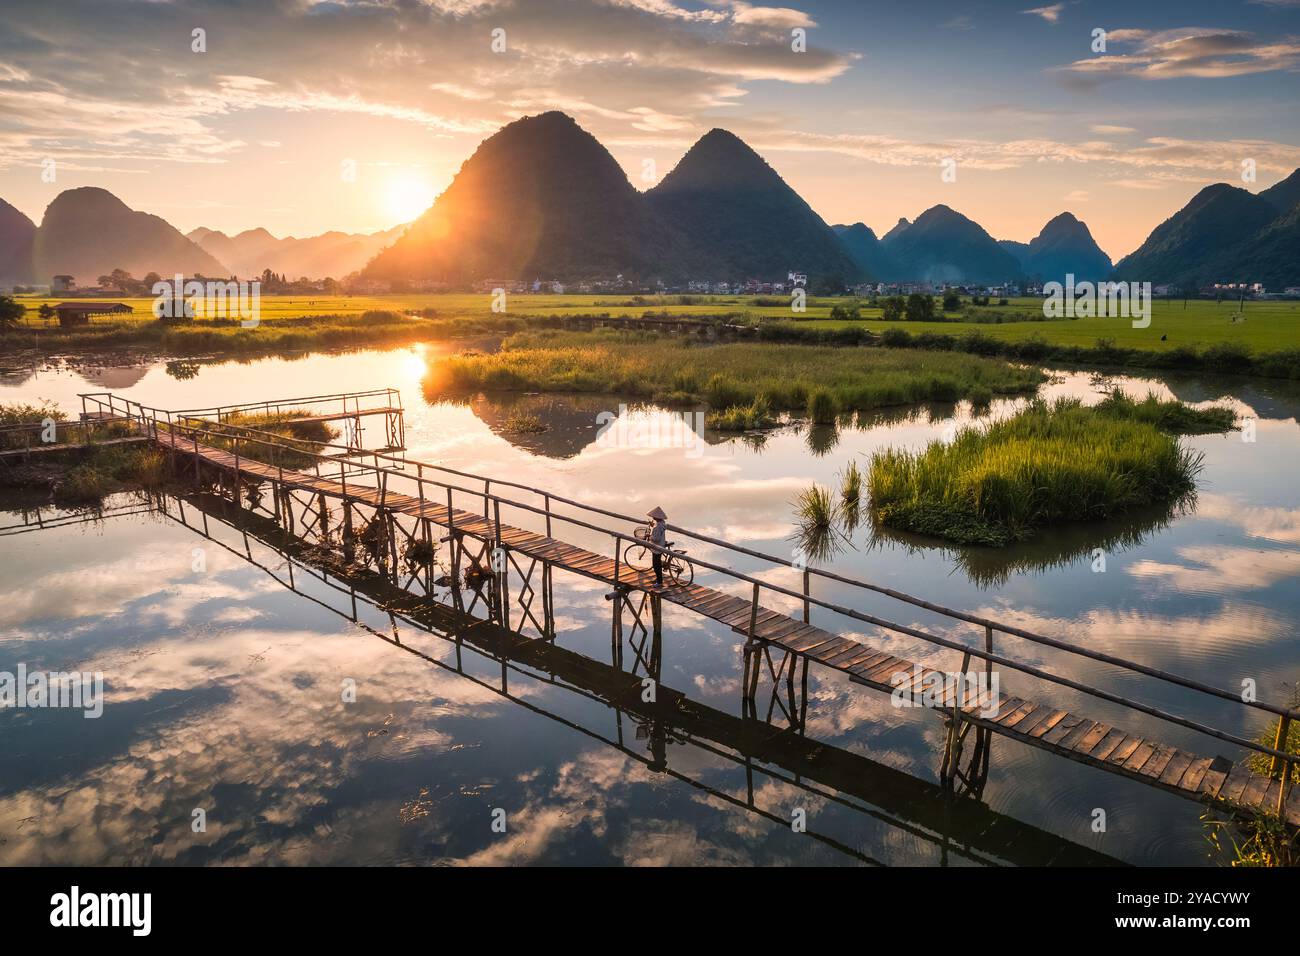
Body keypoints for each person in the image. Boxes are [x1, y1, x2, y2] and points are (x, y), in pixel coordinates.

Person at [647, 506, 668, 588]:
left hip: (657, 548)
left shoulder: (657, 527)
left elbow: (656, 538)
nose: (653, 517)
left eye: (654, 516)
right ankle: (658, 579)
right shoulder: (662, 523)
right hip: (661, 545)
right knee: (658, 563)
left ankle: (659, 582)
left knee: (656, 565)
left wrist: (650, 536)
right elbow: (658, 532)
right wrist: (653, 527)